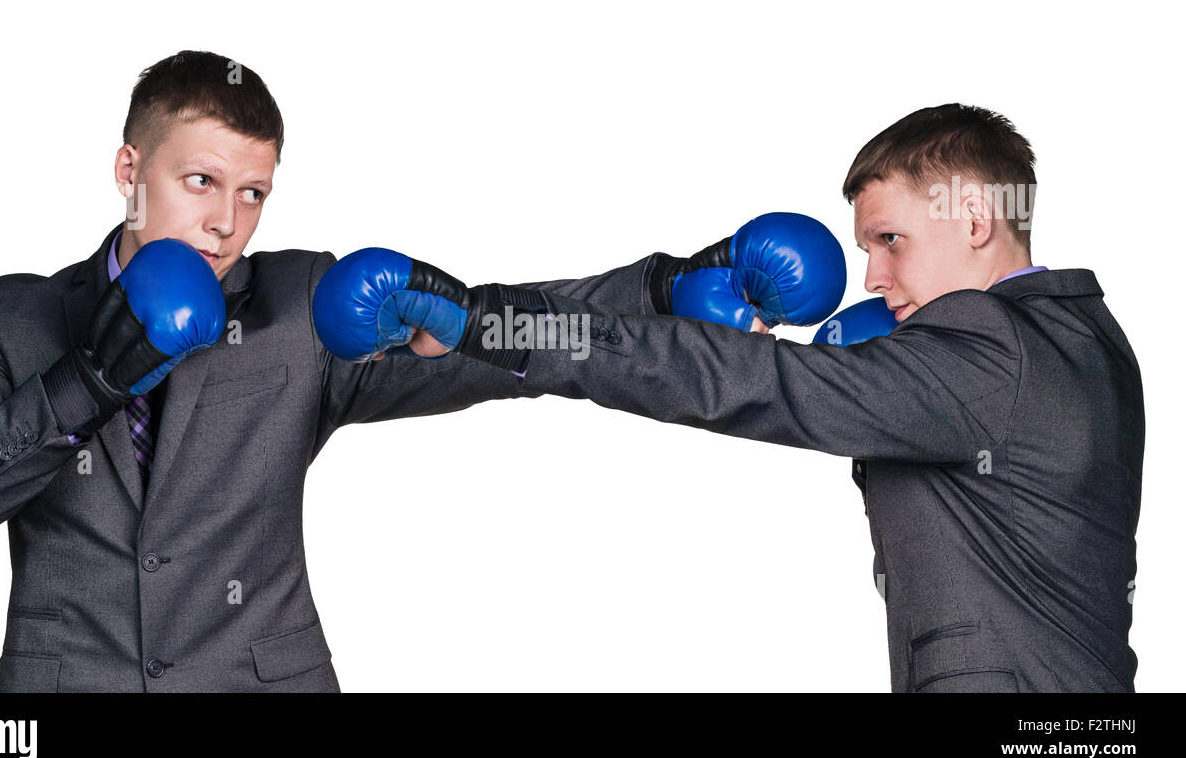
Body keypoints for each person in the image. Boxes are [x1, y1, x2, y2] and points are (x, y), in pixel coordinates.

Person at [0, 49, 843, 692]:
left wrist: (661, 290)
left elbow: (477, 340)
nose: (228, 222)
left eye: (254, 191)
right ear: (128, 169)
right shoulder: (20, 312)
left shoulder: (296, 307)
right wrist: (91, 378)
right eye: (200, 182)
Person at [322, 103, 1144, 692]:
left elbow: (750, 385)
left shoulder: (988, 352)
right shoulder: (1085, 339)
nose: (873, 278)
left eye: (890, 240)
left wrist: (487, 324)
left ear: (974, 218)